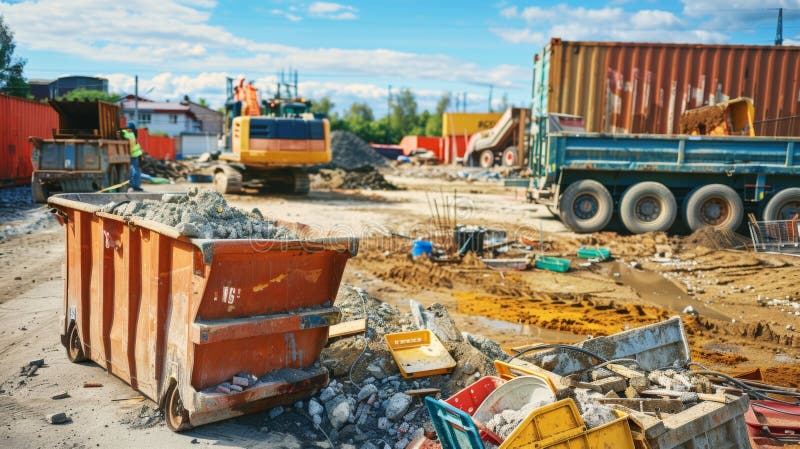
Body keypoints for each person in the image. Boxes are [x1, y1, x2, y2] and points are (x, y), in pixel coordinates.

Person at [122, 122, 143, 192]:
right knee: (135, 171)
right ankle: (135, 185)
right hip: (135, 155)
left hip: (135, 155)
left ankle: (135, 185)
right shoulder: (132, 134)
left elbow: (123, 133)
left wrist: (120, 131)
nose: (128, 129)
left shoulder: (130, 134)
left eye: (128, 128)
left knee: (135, 171)